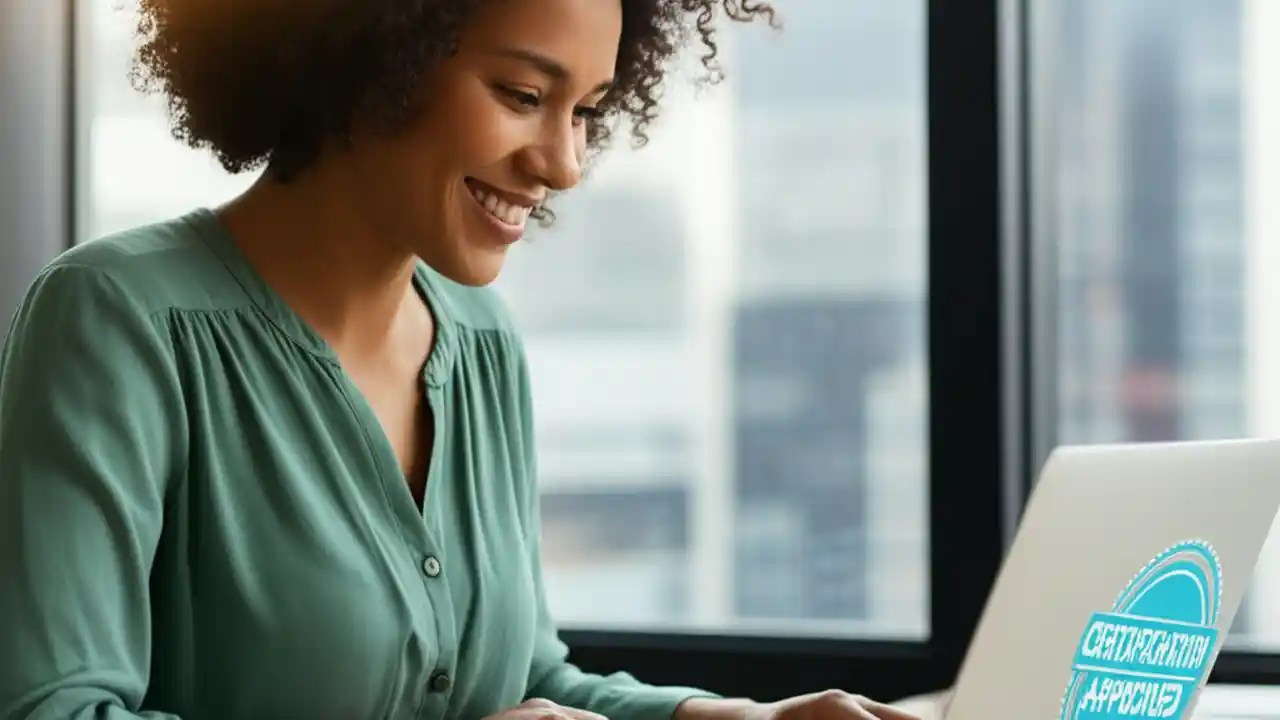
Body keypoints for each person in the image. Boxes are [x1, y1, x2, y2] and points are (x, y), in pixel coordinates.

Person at [0, 0, 921, 719]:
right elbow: (56, 709)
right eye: (522, 96)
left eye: (586, 111)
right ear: (370, 56)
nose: (564, 164)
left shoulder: (482, 341)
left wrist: (741, 718)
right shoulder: (119, 320)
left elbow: (526, 680)